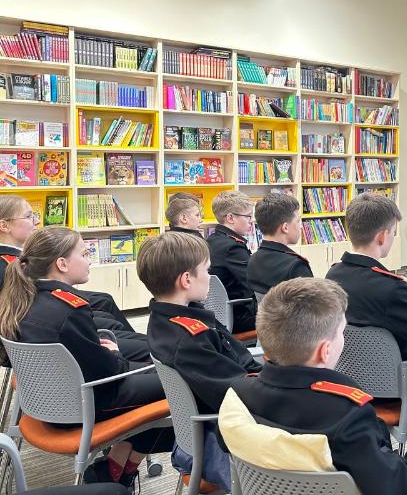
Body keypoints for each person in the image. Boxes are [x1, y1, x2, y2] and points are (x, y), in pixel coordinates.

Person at [220, 277, 407, 495]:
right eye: (342, 332)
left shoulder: (238, 396)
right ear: (326, 351)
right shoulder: (347, 417)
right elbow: (398, 485)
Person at [0, 227, 173, 488]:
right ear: (61, 264)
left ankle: (116, 467)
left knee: (156, 371)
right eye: (84, 254)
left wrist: (104, 353)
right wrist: (114, 354)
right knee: (177, 383)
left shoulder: (23, 298)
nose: (89, 259)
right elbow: (108, 373)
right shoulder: (68, 309)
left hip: (46, 401)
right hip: (82, 406)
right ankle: (119, 469)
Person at [326, 194, 407, 465]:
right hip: (394, 382)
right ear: (383, 236)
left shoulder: (333, 275)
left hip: (349, 375)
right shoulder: (389, 287)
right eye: (394, 233)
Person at [141, 230, 262, 490]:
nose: (210, 276)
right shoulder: (189, 339)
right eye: (206, 270)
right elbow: (235, 393)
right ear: (186, 279)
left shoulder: (170, 319)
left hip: (208, 429)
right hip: (218, 442)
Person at [0, 195, 150, 364]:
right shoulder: (8, 265)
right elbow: (107, 367)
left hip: (38, 341)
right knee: (143, 346)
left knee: (109, 316)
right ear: (4, 225)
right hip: (61, 348)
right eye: (28, 216)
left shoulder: (15, 263)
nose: (37, 221)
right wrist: (115, 355)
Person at [206, 191, 256, 333]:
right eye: (248, 216)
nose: (252, 220)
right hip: (239, 316)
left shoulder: (212, 240)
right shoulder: (232, 248)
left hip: (218, 315)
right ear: (230, 218)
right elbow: (254, 282)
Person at [247, 192, 312, 296]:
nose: (301, 226)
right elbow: (312, 305)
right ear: (285, 227)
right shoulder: (296, 267)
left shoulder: (252, 259)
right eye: (298, 221)